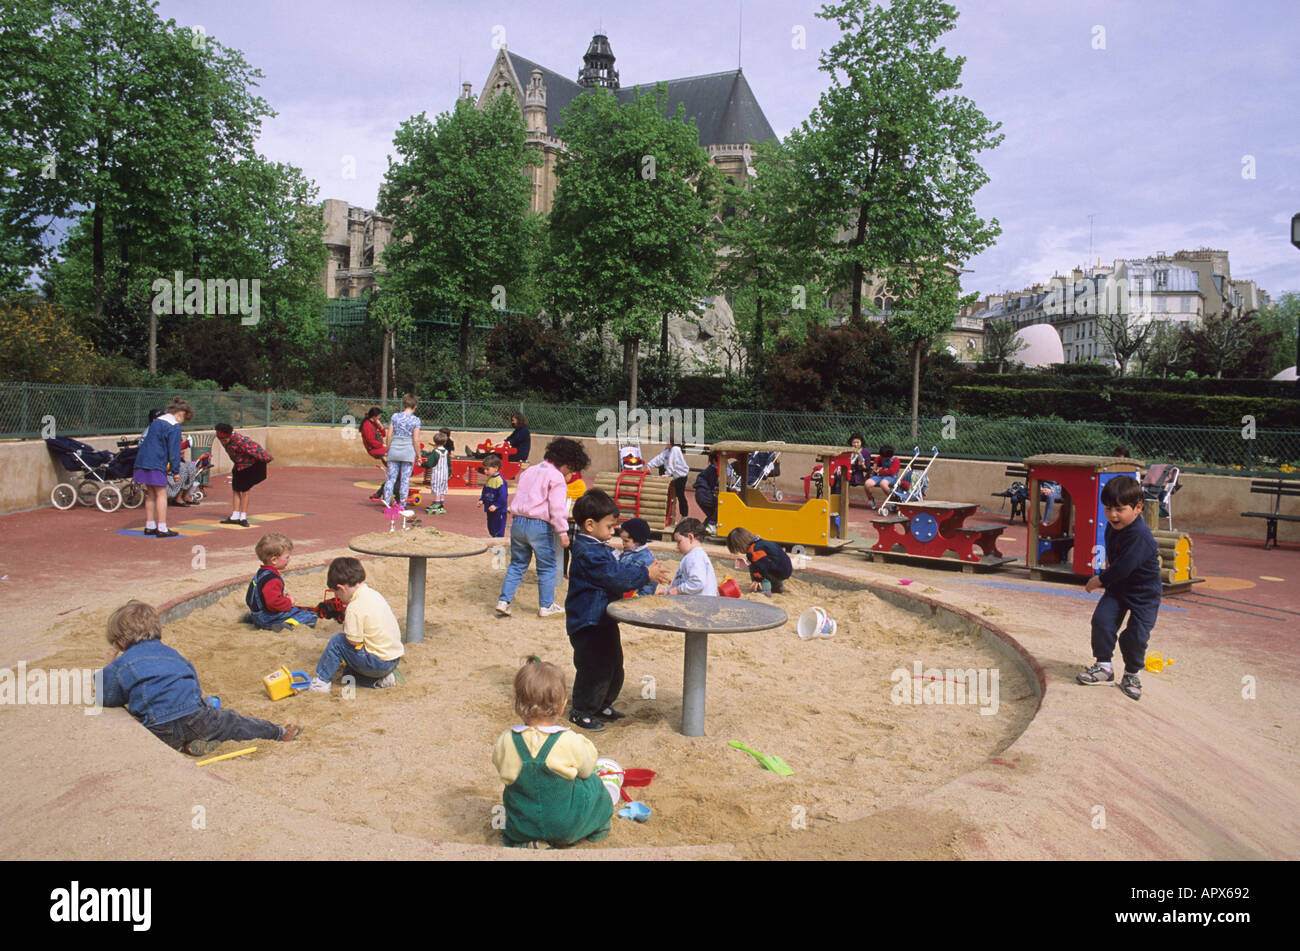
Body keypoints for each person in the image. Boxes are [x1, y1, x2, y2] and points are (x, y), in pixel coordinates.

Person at [99, 600, 301, 755]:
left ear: (119, 642)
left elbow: (106, 696)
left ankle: (182, 748)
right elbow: (191, 681)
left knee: (153, 736)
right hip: (195, 720)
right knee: (232, 722)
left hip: (158, 727)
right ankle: (278, 733)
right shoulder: (172, 654)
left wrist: (108, 665)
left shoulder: (123, 664)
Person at [565, 491, 670, 730]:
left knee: (614, 664)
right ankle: (581, 710)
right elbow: (614, 578)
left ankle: (602, 703)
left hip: (603, 618)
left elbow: (618, 572)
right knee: (593, 668)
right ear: (590, 525)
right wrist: (645, 574)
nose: (613, 532)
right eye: (610, 527)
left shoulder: (598, 546)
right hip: (587, 622)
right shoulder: (587, 551)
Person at [492, 660, 620, 847]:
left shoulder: (507, 739)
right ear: (562, 706)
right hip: (566, 827)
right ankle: (598, 830)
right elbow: (586, 770)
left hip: (523, 825)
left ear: (517, 704)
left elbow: (500, 766)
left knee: (514, 787)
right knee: (594, 784)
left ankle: (521, 842)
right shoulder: (568, 740)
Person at [1076, 475, 1160, 702]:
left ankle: (1132, 674)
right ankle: (1104, 666)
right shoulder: (1114, 527)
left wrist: (1099, 580)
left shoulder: (1140, 536)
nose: (1113, 515)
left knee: (1135, 635)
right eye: (1108, 508)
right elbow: (1115, 557)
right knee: (1102, 621)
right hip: (1119, 588)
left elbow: (1125, 566)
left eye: (1120, 509)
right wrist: (1108, 569)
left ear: (1138, 508)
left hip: (1144, 593)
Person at [495, 437, 590, 619]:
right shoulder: (556, 477)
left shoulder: (530, 470)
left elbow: (520, 496)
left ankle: (504, 601)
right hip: (539, 525)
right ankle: (546, 605)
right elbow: (557, 507)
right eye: (571, 468)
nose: (569, 472)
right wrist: (562, 531)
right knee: (547, 566)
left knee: (517, 564)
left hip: (518, 522)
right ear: (567, 462)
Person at [307, 557, 403, 692]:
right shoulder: (374, 595)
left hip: (377, 663)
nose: (337, 597)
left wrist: (347, 625)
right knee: (348, 676)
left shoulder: (354, 607)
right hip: (393, 659)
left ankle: (321, 682)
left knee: (338, 641)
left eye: (336, 594)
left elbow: (352, 641)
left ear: (341, 588)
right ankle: (382, 680)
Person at [134, 398, 195, 538]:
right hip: (156, 461)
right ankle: (162, 527)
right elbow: (174, 450)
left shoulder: (157, 422)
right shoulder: (173, 426)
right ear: (180, 413)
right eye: (183, 418)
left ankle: (150, 525)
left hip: (142, 459)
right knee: (162, 494)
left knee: (150, 494)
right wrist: (175, 471)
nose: (182, 421)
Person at [245, 533, 321, 630]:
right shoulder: (273, 580)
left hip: (256, 614)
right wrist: (288, 602)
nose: (289, 560)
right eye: (287, 557)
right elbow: (274, 603)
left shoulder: (260, 573)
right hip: (268, 618)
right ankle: (288, 625)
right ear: (274, 560)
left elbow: (250, 597)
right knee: (310, 616)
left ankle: (253, 619)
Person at [214, 423, 272, 527]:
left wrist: (267, 458)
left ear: (229, 436)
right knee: (236, 489)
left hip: (249, 466)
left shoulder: (240, 441)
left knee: (245, 491)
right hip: (239, 466)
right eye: (221, 440)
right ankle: (235, 516)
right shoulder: (223, 440)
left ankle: (243, 517)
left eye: (225, 440)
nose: (223, 442)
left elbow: (255, 449)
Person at [380, 394, 421, 509]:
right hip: (407, 451)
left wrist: (388, 449)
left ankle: (386, 501)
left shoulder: (395, 417)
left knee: (391, 478)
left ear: (404, 404)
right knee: (405, 479)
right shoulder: (416, 420)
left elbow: (389, 435)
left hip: (394, 449)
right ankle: (402, 503)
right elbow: (416, 440)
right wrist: (418, 455)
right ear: (415, 406)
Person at [727, 527, 793, 594]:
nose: (740, 552)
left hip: (779, 572)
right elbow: (765, 559)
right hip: (785, 569)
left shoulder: (755, 550)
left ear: (740, 546)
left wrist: (757, 580)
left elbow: (762, 566)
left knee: (755, 569)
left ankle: (764, 591)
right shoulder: (759, 543)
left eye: (738, 549)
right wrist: (748, 562)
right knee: (758, 565)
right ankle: (778, 587)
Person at [663, 517, 718, 596]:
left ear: (690, 537)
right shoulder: (694, 555)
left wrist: (678, 590)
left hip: (700, 603)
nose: (677, 546)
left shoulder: (695, 557)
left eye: (679, 542)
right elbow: (682, 580)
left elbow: (697, 582)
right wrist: (667, 591)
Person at [648, 431, 689, 519]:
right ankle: (667, 514)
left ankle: (684, 515)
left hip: (680, 476)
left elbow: (672, 463)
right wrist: (649, 465)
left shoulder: (675, 449)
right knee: (669, 494)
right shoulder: (668, 450)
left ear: (671, 442)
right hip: (673, 476)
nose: (666, 443)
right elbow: (660, 458)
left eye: (667, 441)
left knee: (680, 495)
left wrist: (667, 474)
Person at [618, 518, 658, 596]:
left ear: (638, 541)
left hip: (634, 596)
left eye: (626, 541)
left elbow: (650, 584)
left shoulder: (646, 559)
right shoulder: (626, 553)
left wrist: (640, 597)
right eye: (622, 540)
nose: (623, 543)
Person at [479, 452, 508, 538]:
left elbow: (503, 496)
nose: (485, 471)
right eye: (484, 469)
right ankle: (494, 540)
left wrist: (496, 505)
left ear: (495, 468)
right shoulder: (489, 479)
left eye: (487, 469)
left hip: (499, 511)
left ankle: (499, 545)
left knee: (498, 528)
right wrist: (482, 500)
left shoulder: (500, 481)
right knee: (491, 527)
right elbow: (485, 491)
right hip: (489, 508)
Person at [361, 407, 387, 501]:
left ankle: (380, 492)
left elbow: (383, 434)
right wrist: (383, 445)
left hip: (379, 447)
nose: (380, 417)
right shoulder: (367, 425)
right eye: (379, 416)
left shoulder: (374, 423)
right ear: (375, 416)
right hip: (374, 449)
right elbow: (371, 441)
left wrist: (380, 424)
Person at [865, 444, 901, 510]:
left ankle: (892, 500)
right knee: (867, 484)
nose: (882, 458)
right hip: (881, 476)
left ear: (888, 456)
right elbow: (877, 458)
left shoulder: (895, 460)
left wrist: (880, 471)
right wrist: (875, 465)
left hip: (891, 477)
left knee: (883, 484)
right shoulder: (883, 457)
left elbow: (891, 472)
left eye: (883, 457)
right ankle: (871, 499)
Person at [423, 430, 450, 515]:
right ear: (445, 442)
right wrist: (450, 472)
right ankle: (441, 504)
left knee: (437, 490)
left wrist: (422, 464)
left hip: (437, 474)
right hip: (445, 474)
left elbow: (430, 463)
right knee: (442, 490)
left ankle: (437, 505)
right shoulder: (446, 452)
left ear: (435, 442)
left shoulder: (435, 452)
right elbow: (449, 463)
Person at [693, 453, 720, 534]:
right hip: (704, 494)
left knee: (712, 514)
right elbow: (714, 484)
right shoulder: (712, 470)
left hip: (701, 494)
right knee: (720, 506)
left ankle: (701, 530)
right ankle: (710, 525)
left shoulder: (711, 469)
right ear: (715, 460)